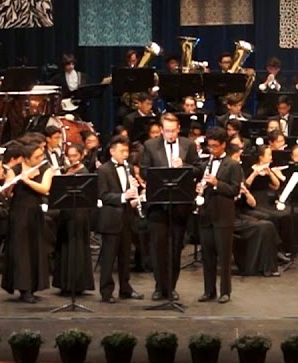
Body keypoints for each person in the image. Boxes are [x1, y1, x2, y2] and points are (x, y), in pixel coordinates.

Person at [138, 113, 200, 301]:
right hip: (158, 205)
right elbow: (144, 170)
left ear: (178, 129)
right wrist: (162, 174)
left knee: (175, 249)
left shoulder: (188, 145)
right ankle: (160, 286)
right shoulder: (150, 145)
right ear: (161, 130)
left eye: (173, 131)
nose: (170, 134)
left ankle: (171, 287)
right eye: (166, 131)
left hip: (179, 206)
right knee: (158, 249)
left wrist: (185, 166)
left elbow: (198, 169)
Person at [2, 138, 53, 303]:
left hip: (35, 213)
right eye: (36, 157)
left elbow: (45, 189)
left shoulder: (45, 169)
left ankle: (33, 286)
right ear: (26, 158)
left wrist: (27, 180)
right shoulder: (15, 170)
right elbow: (7, 193)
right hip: (18, 213)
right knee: (21, 251)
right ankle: (24, 288)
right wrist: (11, 183)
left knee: (34, 249)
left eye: (41, 156)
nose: (40, 159)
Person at [95, 136, 144, 302]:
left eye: (127, 151)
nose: (125, 154)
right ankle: (106, 291)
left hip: (127, 218)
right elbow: (103, 195)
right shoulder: (103, 170)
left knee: (125, 256)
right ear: (112, 151)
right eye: (122, 151)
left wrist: (135, 196)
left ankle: (125, 288)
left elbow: (129, 192)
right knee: (109, 258)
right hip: (111, 219)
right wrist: (124, 196)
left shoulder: (129, 167)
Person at [195, 127, 240, 303]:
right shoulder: (206, 163)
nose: (212, 150)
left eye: (215, 146)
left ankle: (225, 291)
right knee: (207, 256)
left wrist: (216, 183)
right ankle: (209, 291)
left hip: (223, 215)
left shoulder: (233, 165)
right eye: (210, 146)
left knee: (224, 256)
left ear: (223, 145)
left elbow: (234, 190)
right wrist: (200, 187)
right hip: (207, 214)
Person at [51, 142, 95, 298]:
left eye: (75, 156)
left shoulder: (84, 172)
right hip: (66, 213)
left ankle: (77, 284)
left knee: (77, 247)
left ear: (82, 156)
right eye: (69, 156)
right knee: (65, 247)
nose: (72, 159)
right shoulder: (67, 170)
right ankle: (64, 283)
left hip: (79, 214)